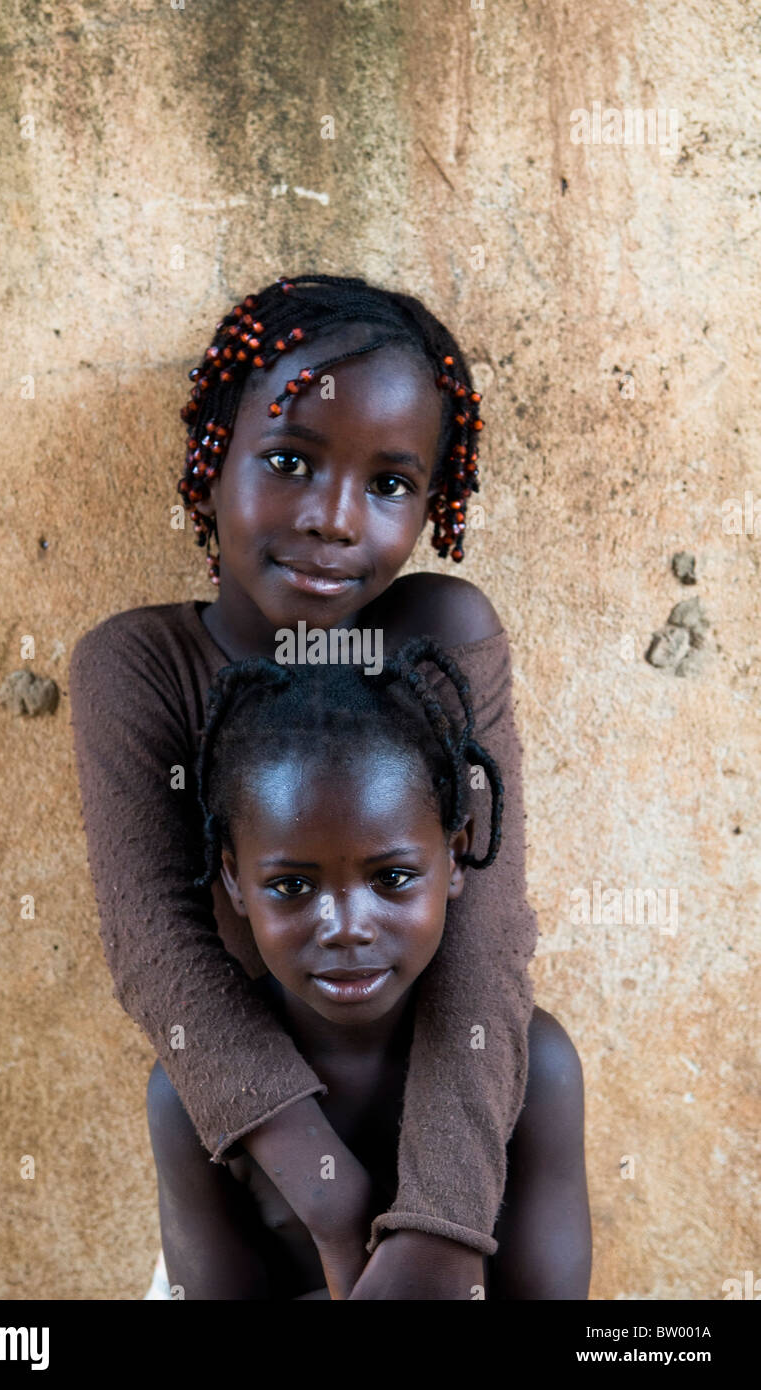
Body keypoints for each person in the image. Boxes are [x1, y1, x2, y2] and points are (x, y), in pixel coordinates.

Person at [69, 273, 541, 1299]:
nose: (334, 521)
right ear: (209, 466)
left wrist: (438, 1227)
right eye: (287, 461)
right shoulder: (137, 667)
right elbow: (158, 952)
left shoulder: (439, 639)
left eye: (388, 484)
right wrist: (329, 1199)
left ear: (431, 503)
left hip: (451, 1180)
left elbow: (486, 944)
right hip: (252, 1199)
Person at [146, 641, 591, 1299]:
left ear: (457, 857)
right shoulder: (188, 1091)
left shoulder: (535, 1061)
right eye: (292, 886)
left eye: (392, 877)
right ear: (235, 881)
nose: (346, 925)